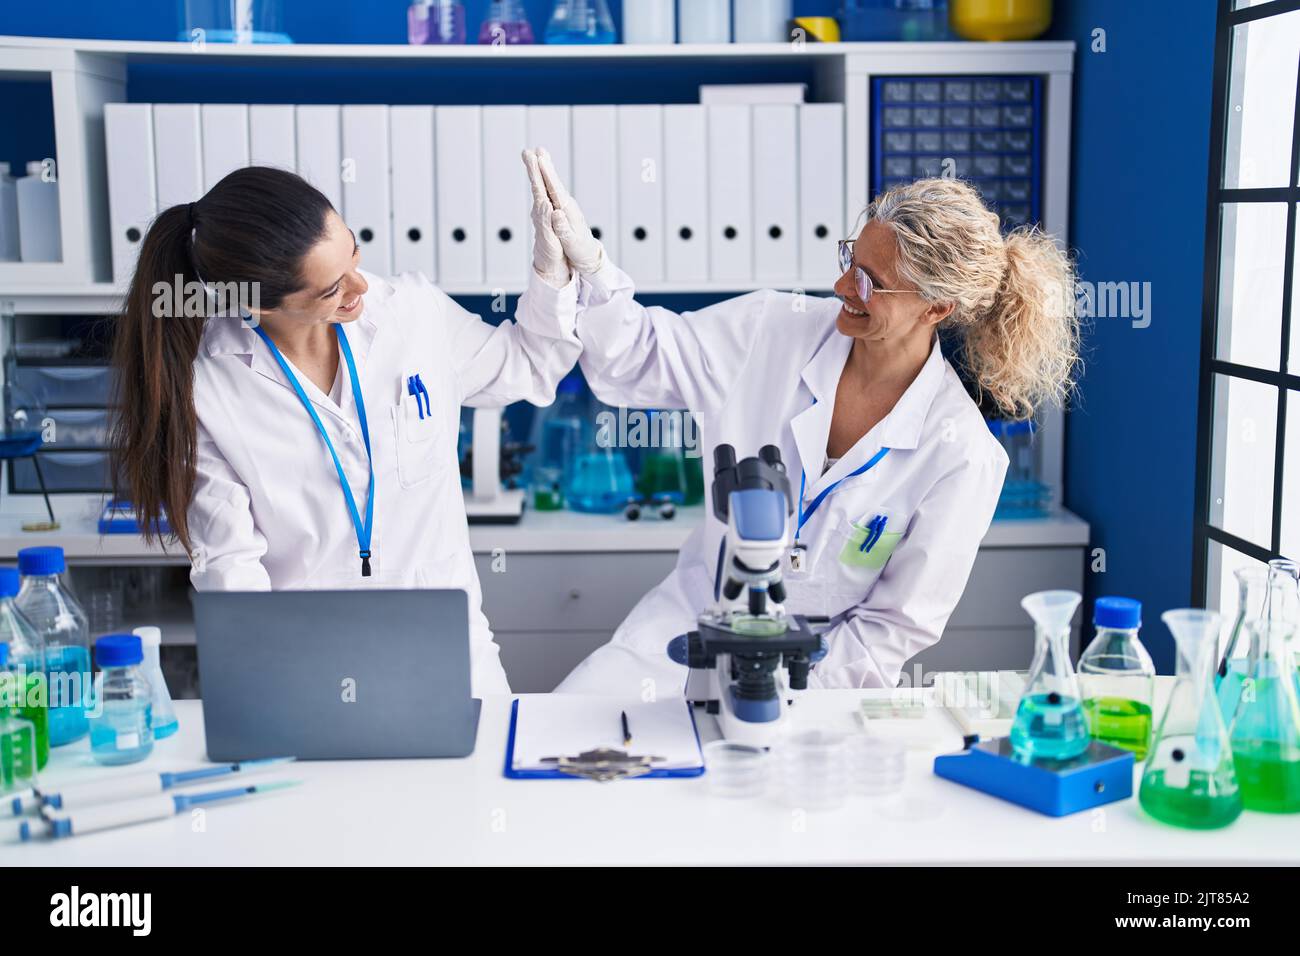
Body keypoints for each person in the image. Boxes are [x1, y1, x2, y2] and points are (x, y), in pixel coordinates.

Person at [522, 150, 1080, 693]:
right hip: (688, 626)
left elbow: (894, 625)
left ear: (936, 310)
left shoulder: (961, 455)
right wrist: (590, 267)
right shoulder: (771, 329)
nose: (842, 288)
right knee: (577, 742)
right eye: (849, 262)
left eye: (869, 282)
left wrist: (784, 687)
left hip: (821, 672)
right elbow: (636, 357)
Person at [112, 166, 584, 695]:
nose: (361, 286)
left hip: (456, 666)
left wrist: (552, 272)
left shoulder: (412, 313)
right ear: (258, 303)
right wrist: (263, 693)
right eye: (331, 288)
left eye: (353, 254)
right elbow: (231, 570)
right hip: (310, 678)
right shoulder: (211, 386)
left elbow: (531, 363)